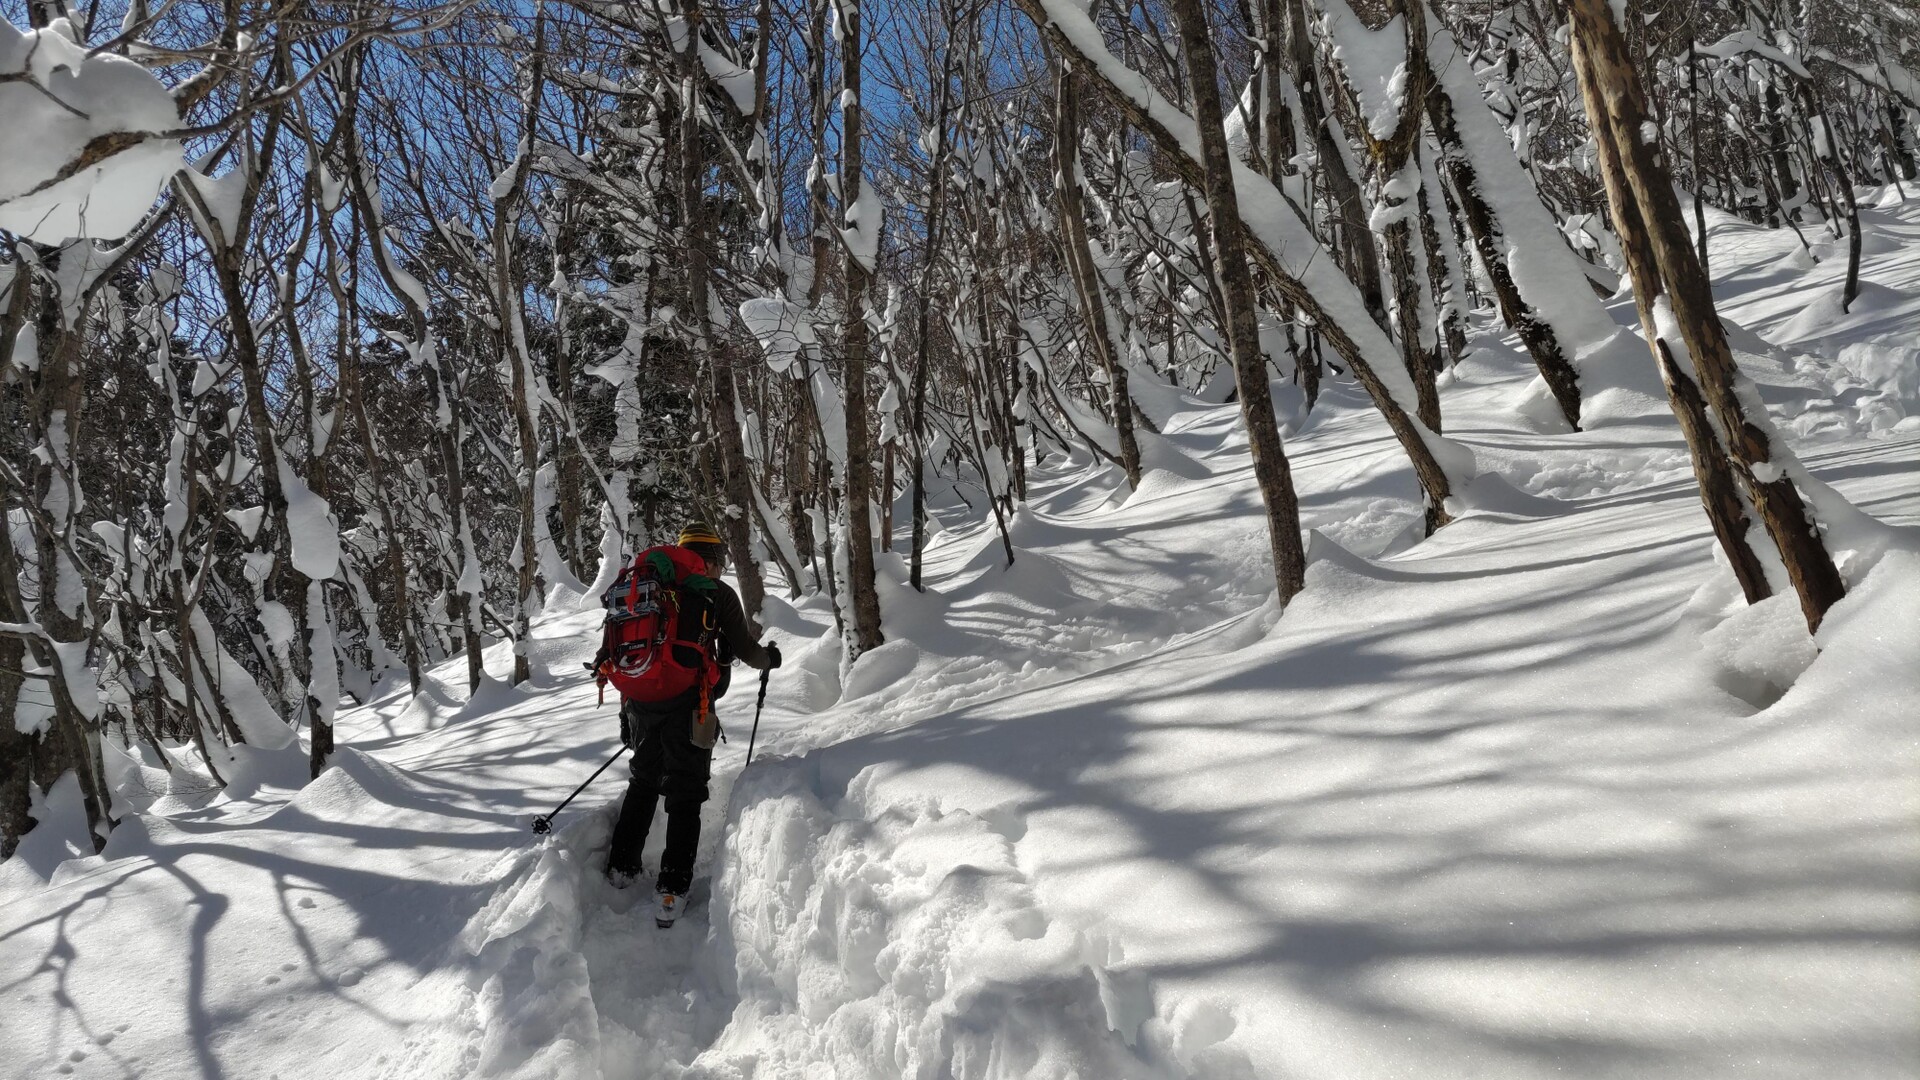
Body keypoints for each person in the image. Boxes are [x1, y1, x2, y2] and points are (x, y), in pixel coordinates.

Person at [603, 523, 780, 927]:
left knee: (643, 781)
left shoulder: (641, 587)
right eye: (719, 563)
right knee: (685, 791)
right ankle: (672, 888)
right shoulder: (715, 592)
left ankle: (621, 869)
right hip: (690, 703)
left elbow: (619, 651)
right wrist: (771, 659)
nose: (720, 570)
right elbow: (747, 652)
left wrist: (627, 709)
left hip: (638, 699)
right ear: (712, 559)